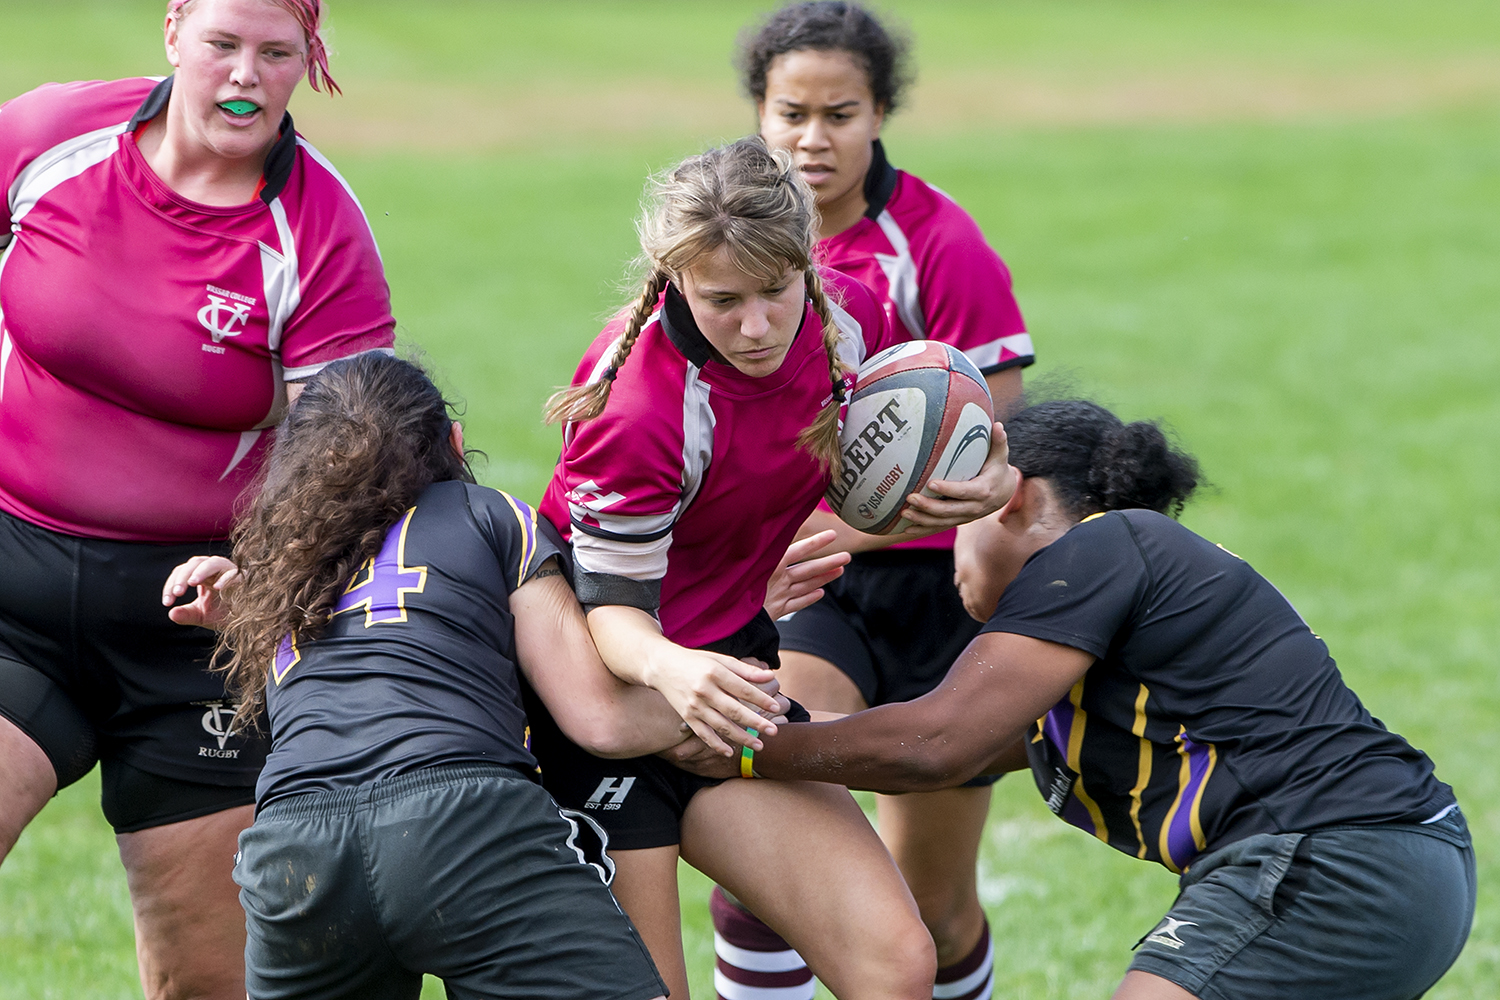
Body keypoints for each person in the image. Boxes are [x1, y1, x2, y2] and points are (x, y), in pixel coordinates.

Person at [676, 399, 1476, 1000]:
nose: (952, 562)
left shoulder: (1106, 541)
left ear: (1013, 499)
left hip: (1329, 861)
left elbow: (931, 744)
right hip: (1386, 864)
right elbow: (907, 757)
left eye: (956, 523)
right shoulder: (1082, 657)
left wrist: (734, 741)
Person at [531, 136, 1017, 1000]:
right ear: (675, 277)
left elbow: (874, 469)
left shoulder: (850, 320)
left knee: (894, 960)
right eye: (724, 301)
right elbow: (610, 615)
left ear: (808, 263)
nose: (756, 326)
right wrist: (677, 668)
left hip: (733, 682)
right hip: (601, 708)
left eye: (775, 292)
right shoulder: (639, 409)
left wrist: (982, 481)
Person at [0, 2, 393, 996]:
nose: (246, 74)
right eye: (224, 43)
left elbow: (341, 471)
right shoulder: (49, 139)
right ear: (175, 32)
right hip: (17, 593)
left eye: (276, 53)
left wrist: (259, 581)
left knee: (205, 974)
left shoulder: (320, 231)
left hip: (204, 627)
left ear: (309, 61)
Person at [165, 352, 701, 1000]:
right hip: (460, 821)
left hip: (292, 850)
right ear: (452, 442)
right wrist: (725, 699)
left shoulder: (283, 569)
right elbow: (600, 718)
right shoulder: (491, 516)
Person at [712, 5, 1034, 996]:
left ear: (880, 112)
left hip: (941, 599)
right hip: (813, 587)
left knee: (931, 908)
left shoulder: (937, 243)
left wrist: (964, 493)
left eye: (840, 113)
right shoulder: (737, 250)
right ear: (759, 114)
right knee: (770, 844)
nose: (814, 137)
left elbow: (999, 450)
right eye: (791, 112)